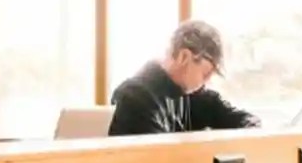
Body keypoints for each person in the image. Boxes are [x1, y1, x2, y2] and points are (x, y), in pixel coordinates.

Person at [108, 20, 259, 136]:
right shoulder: (134, 97)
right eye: (206, 74)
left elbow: (247, 122)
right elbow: (154, 159)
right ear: (184, 57)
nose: (207, 81)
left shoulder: (194, 96)